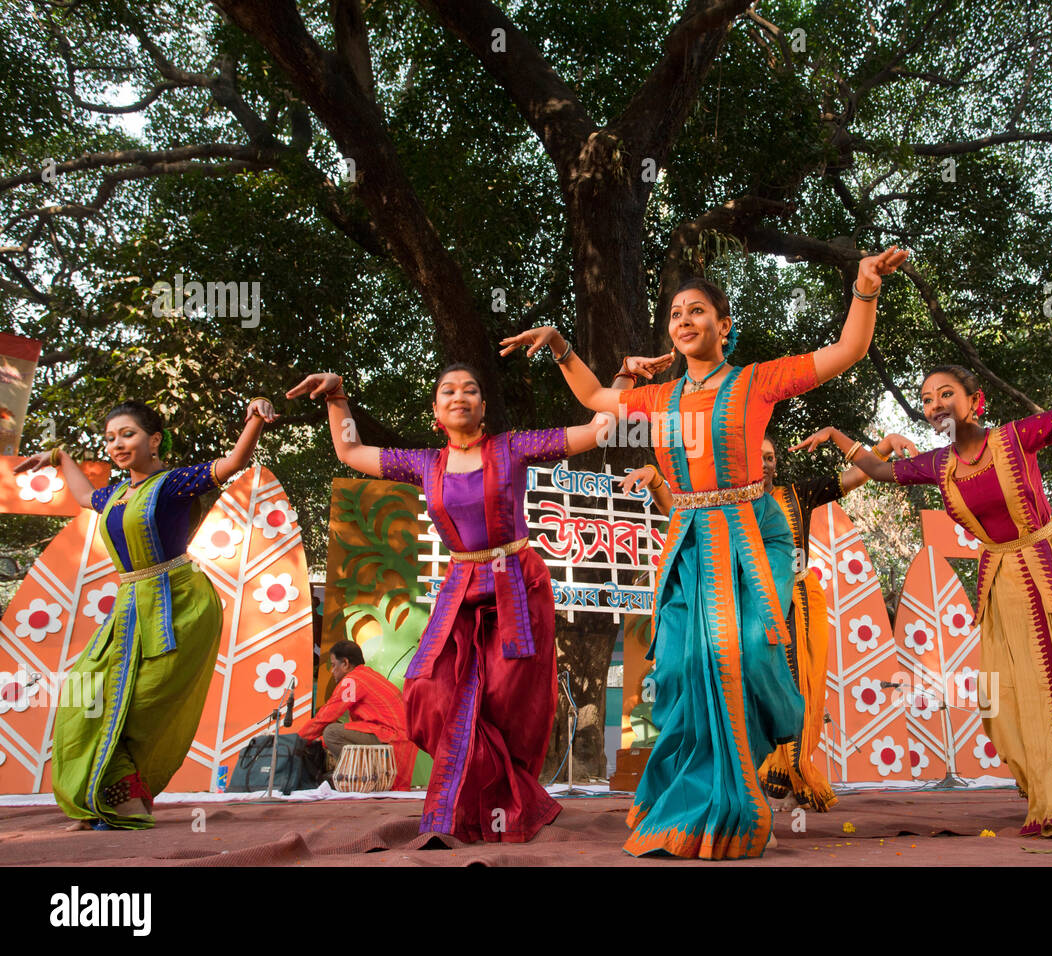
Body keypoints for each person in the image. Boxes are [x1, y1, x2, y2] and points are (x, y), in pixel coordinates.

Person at [501, 245, 909, 858]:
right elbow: (594, 400)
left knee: (750, 645)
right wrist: (561, 345)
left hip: (751, 527)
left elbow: (847, 351)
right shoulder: (656, 399)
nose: (684, 320)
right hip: (688, 536)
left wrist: (865, 285)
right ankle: (705, 802)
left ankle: (780, 731)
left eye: (697, 311)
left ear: (724, 325)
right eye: (674, 314)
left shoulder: (755, 380)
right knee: (685, 670)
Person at [796, 315, 1052, 836]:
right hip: (1003, 580)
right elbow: (882, 470)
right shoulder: (938, 466)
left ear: (974, 401)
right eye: (927, 399)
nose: (934, 406)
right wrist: (841, 436)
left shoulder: (1016, 438)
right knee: (1026, 691)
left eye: (945, 394)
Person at [286, 364, 635, 843]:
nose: (459, 396)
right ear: (436, 410)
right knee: (429, 692)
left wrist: (622, 379)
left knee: (506, 700)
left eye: (471, 389)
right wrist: (337, 399)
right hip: (461, 586)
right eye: (447, 390)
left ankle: (481, 807)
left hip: (517, 584)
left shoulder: (512, 447)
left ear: (484, 407)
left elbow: (600, 429)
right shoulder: (425, 464)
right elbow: (349, 450)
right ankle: (494, 797)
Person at [621, 430, 916, 812]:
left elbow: (860, 476)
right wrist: (656, 476)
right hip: (736, 605)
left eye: (770, 456)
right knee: (735, 682)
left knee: (792, 685)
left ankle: (788, 773)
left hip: (795, 603)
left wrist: (884, 447)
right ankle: (744, 777)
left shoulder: (796, 495)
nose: (764, 462)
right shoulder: (722, 502)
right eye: (756, 456)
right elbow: (675, 512)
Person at [16, 397, 276, 829]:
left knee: (138, 708)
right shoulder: (116, 495)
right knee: (89, 697)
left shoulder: (173, 484)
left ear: (154, 440)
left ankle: (125, 798)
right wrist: (61, 455)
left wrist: (254, 419)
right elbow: (82, 494)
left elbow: (232, 463)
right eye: (110, 438)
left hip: (180, 607)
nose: (117, 444)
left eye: (128, 434)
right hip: (130, 608)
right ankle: (106, 796)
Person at [298, 640, 417, 790]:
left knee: (332, 732)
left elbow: (326, 717)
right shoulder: (367, 675)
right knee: (329, 735)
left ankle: (363, 777)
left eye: (334, 665)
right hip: (398, 740)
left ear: (346, 663)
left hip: (391, 739)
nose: (331, 670)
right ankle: (363, 775)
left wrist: (296, 741)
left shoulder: (353, 680)